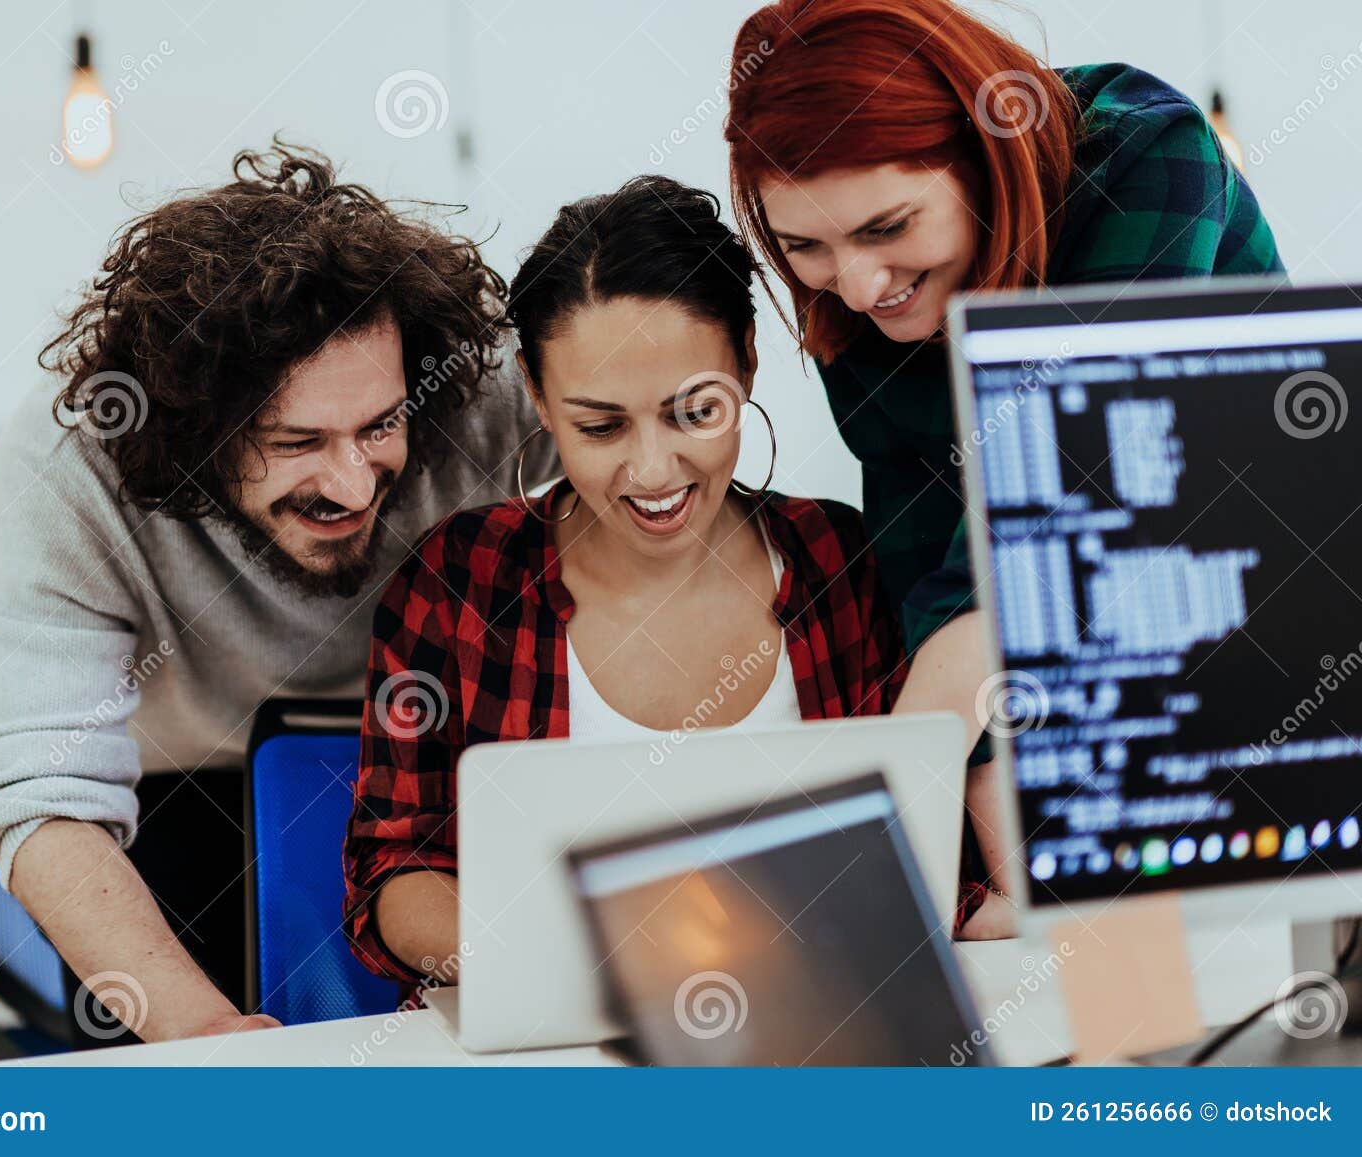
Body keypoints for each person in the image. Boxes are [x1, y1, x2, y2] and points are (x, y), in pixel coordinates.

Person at [0, 141, 552, 1044]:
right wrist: (203, 1037)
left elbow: (634, 433)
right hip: (188, 803)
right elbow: (44, 791)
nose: (354, 485)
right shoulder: (72, 459)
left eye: (379, 424)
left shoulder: (478, 385)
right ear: (195, 429)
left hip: (440, 781)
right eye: (296, 440)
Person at [724, 0, 1285, 934]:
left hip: (1258, 634)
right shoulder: (863, 316)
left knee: (1258, 1002)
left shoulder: (1150, 160)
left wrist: (894, 873)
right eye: (806, 247)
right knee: (1096, 1002)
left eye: (886, 226)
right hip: (1061, 704)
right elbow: (928, 583)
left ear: (981, 158)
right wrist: (1011, 888)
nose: (860, 287)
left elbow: (1044, 521)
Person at [344, 174, 982, 989]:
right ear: (539, 399)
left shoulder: (839, 557)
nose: (652, 470)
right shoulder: (457, 578)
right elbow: (394, 868)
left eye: (692, 412)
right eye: (600, 425)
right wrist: (591, 969)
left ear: (748, 362)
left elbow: (922, 840)